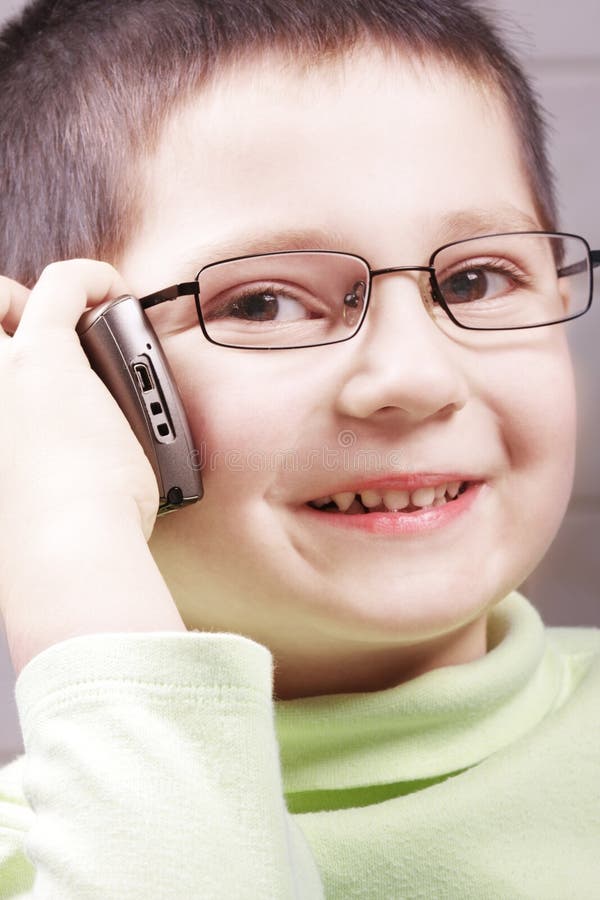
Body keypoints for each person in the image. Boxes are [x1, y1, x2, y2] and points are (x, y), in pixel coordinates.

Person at [0, 0, 598, 896]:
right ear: (72, 369)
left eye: (477, 278)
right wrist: (78, 556)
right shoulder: (49, 855)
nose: (414, 374)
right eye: (264, 302)